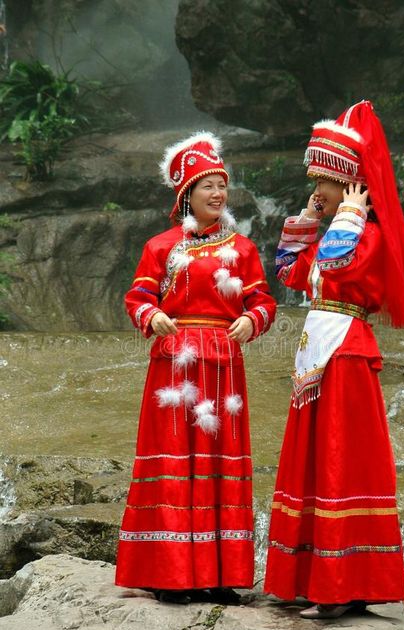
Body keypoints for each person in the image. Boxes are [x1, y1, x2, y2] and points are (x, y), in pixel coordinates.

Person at [264, 101, 404, 618]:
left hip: (348, 351)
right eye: (313, 179)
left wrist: (353, 213)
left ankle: (341, 584)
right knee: (313, 459)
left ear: (351, 184)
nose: (317, 188)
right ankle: (310, 575)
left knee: (341, 460)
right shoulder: (336, 227)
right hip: (318, 348)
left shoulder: (368, 233)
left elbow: (336, 266)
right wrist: (311, 217)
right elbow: (290, 271)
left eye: (325, 181)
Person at [115, 131, 277, 604]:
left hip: (223, 365)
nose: (218, 193)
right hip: (175, 364)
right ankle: (170, 574)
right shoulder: (162, 246)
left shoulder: (243, 249)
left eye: (222, 185)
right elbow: (137, 297)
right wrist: (154, 315)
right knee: (175, 460)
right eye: (208, 186)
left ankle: (218, 575)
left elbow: (263, 301)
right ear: (187, 193)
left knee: (218, 463)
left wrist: (251, 318)